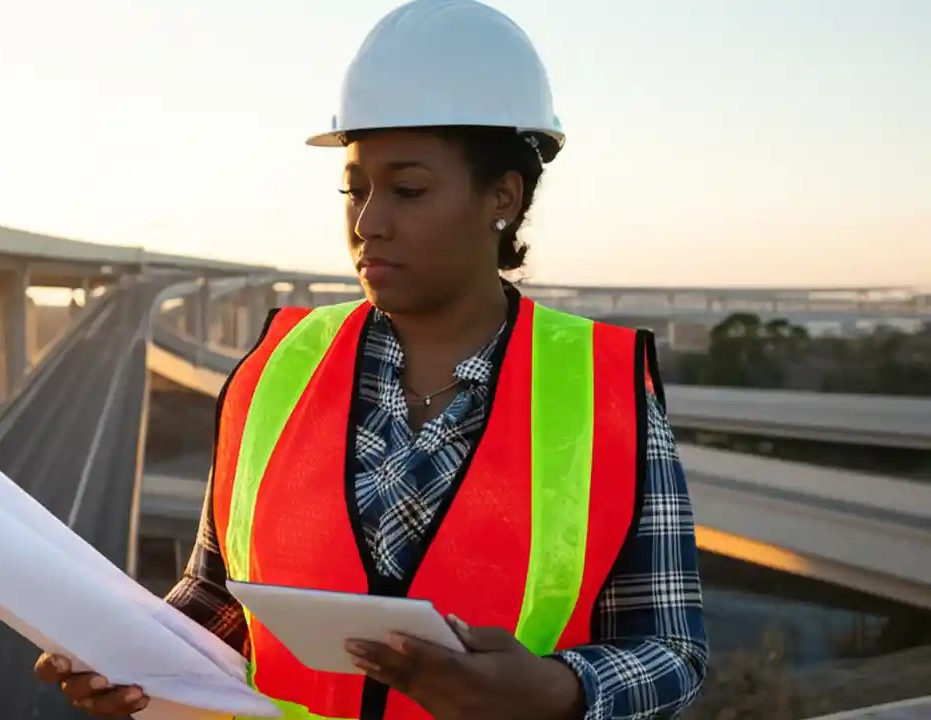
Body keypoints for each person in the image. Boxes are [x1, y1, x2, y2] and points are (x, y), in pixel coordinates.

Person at [36, 0, 708, 717]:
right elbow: (216, 594)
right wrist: (137, 661)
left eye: (408, 190)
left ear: (502, 199)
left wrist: (557, 691)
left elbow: (672, 649)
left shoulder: (605, 388)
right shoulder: (275, 369)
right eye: (354, 189)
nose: (367, 223)